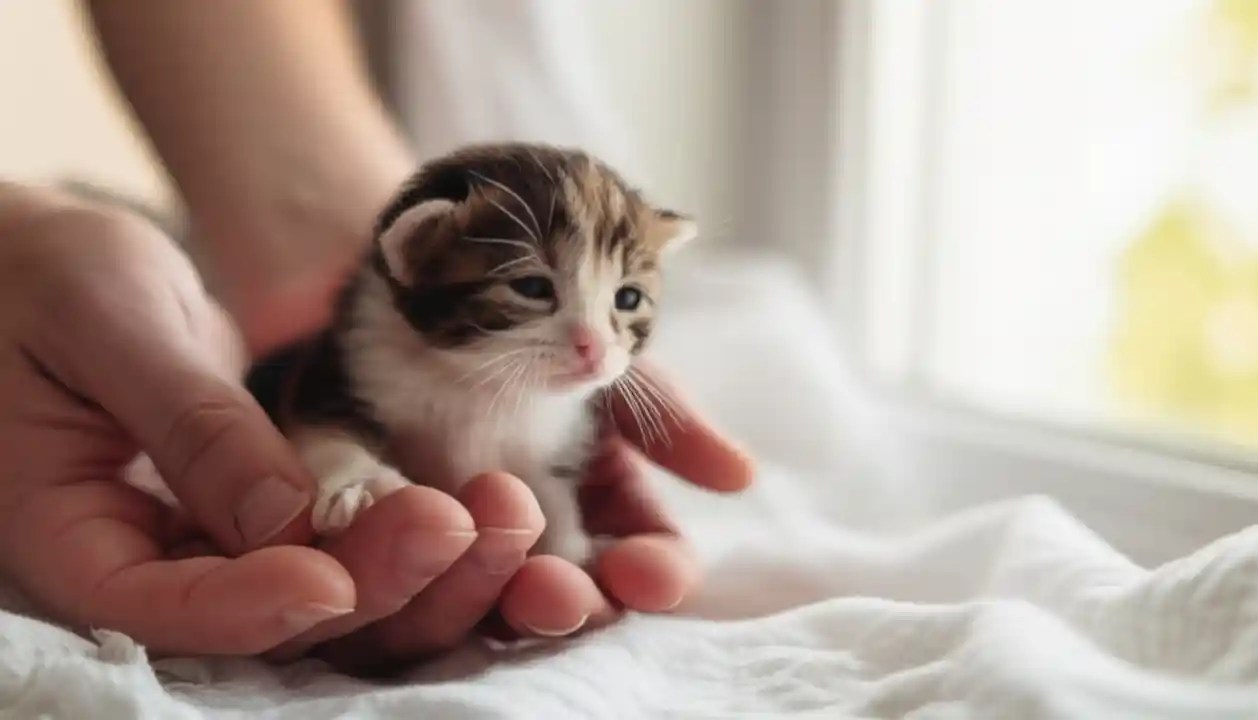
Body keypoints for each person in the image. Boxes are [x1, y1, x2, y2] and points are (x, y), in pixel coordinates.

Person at [0, 2, 752, 669]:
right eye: (531, 288)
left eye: (625, 299)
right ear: (412, 258)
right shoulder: (367, 353)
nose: (596, 345)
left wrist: (570, 544)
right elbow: (323, 425)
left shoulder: (561, 387)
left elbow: (550, 481)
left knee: (545, 558)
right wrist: (344, 477)